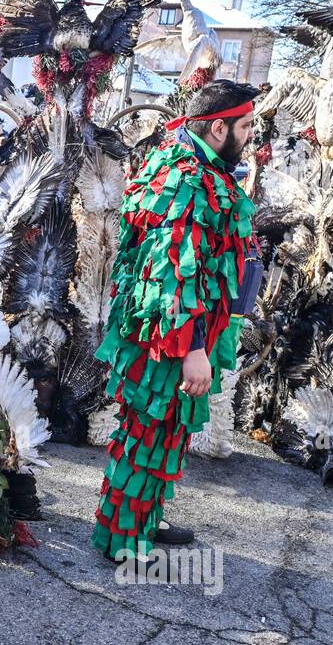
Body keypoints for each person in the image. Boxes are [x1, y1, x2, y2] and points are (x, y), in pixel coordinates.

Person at [92, 80, 263, 563]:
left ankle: (139, 522)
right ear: (217, 127)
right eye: (245, 127)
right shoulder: (191, 180)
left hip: (156, 330)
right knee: (153, 430)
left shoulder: (174, 162)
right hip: (169, 338)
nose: (250, 136)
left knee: (155, 434)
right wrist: (192, 350)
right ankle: (127, 542)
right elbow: (176, 277)